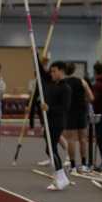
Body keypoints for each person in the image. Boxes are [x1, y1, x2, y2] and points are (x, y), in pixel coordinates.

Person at [42, 61, 72, 190]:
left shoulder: (65, 88)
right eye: (51, 71)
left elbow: (64, 108)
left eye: (54, 71)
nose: (52, 73)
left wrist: (49, 108)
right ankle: (62, 178)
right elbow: (41, 73)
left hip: (57, 121)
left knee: (50, 149)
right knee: (50, 149)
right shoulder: (53, 85)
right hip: (49, 121)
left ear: (61, 71)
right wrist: (36, 56)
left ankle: (61, 178)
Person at [63, 63, 94, 172]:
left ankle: (72, 166)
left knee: (71, 140)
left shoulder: (63, 83)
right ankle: (84, 164)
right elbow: (91, 97)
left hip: (69, 113)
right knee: (83, 139)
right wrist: (84, 99)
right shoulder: (82, 81)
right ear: (74, 70)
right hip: (81, 112)